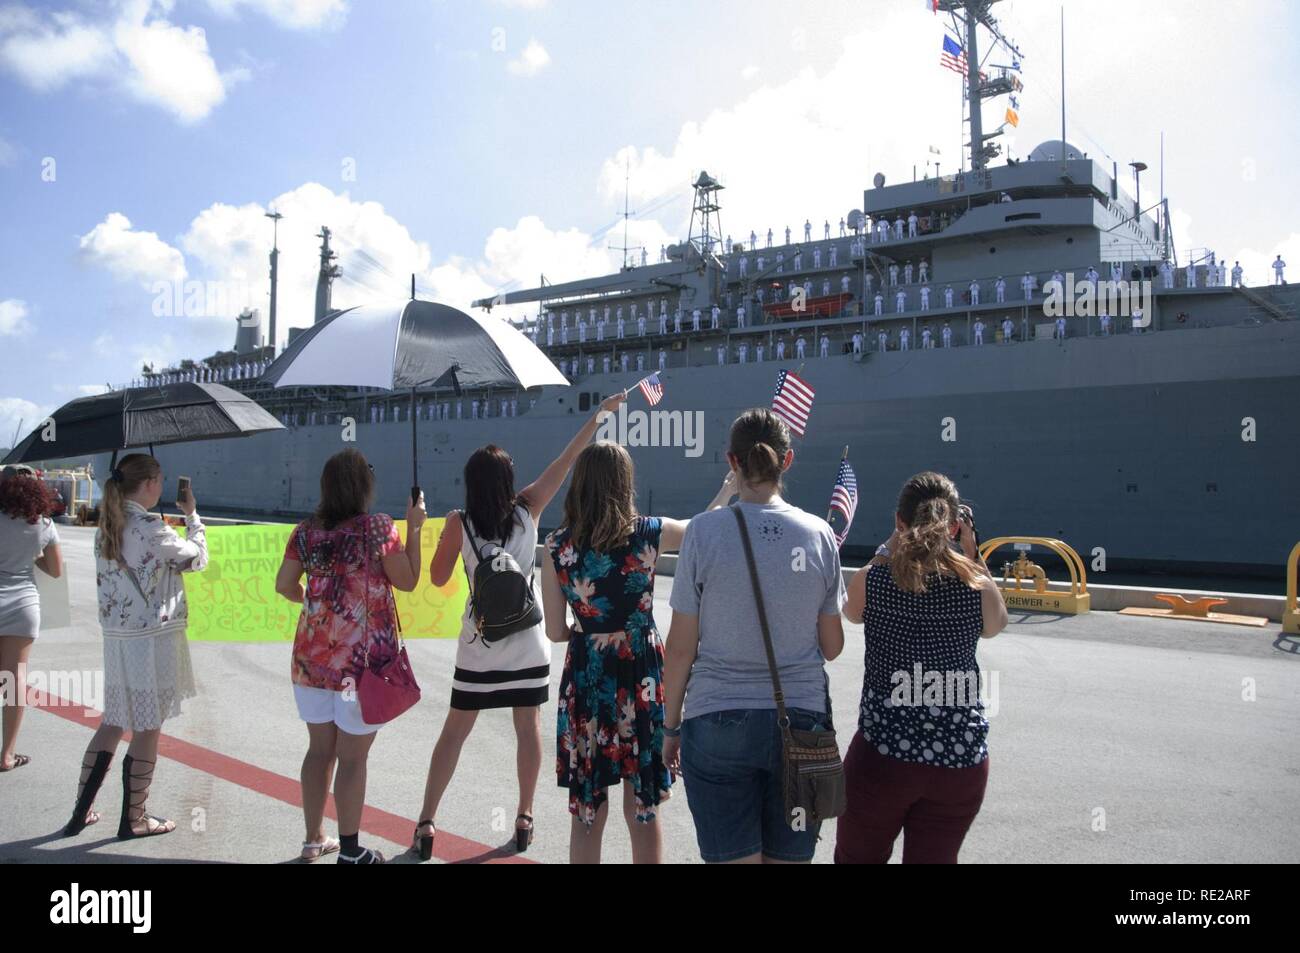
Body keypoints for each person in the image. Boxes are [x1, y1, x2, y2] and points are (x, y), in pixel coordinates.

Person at [414, 400, 621, 860]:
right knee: (527, 730)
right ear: (509, 482)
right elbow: (564, 462)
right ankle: (525, 816)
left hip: (479, 646)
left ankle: (427, 821)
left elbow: (438, 578)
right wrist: (597, 416)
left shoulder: (458, 522)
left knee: (454, 733)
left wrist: (423, 526)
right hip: (528, 646)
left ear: (470, 484)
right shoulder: (528, 510)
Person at [663, 409, 845, 864]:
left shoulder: (704, 533)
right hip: (801, 725)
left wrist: (669, 728)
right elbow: (832, 646)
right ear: (788, 461)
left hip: (718, 718)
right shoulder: (820, 534)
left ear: (732, 461)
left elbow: (681, 648)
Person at [540, 439, 723, 864]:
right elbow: (702, 529)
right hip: (640, 675)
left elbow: (554, 631)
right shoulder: (648, 534)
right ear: (625, 484)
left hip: (588, 677)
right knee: (642, 806)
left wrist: (587, 633)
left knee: (588, 811)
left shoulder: (557, 547)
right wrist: (728, 490)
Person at [834, 472, 1007, 863]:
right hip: (959, 760)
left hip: (884, 754)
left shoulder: (877, 578)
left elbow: (850, 612)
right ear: (956, 525)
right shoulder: (974, 585)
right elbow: (996, 625)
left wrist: (885, 548)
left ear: (900, 521)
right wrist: (973, 555)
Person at [275, 450, 424, 863]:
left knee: (318, 751)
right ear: (362, 486)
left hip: (310, 662)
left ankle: (312, 840)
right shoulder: (376, 528)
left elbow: (284, 585)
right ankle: (352, 851)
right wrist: (413, 528)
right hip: (359, 670)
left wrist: (315, 604)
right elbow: (408, 581)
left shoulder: (305, 532)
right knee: (353, 757)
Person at [63, 454, 207, 841]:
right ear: (149, 483)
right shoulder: (147, 523)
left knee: (112, 722)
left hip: (117, 638)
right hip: (150, 641)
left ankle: (81, 811)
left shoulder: (108, 524)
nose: (162, 486)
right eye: (159, 479)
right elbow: (196, 559)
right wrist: (192, 517)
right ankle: (135, 818)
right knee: (148, 728)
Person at [0, 467, 63, 772]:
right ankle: (6, 755)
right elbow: (55, 570)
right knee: (13, 681)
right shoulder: (45, 525)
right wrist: (31, 556)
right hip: (23, 604)